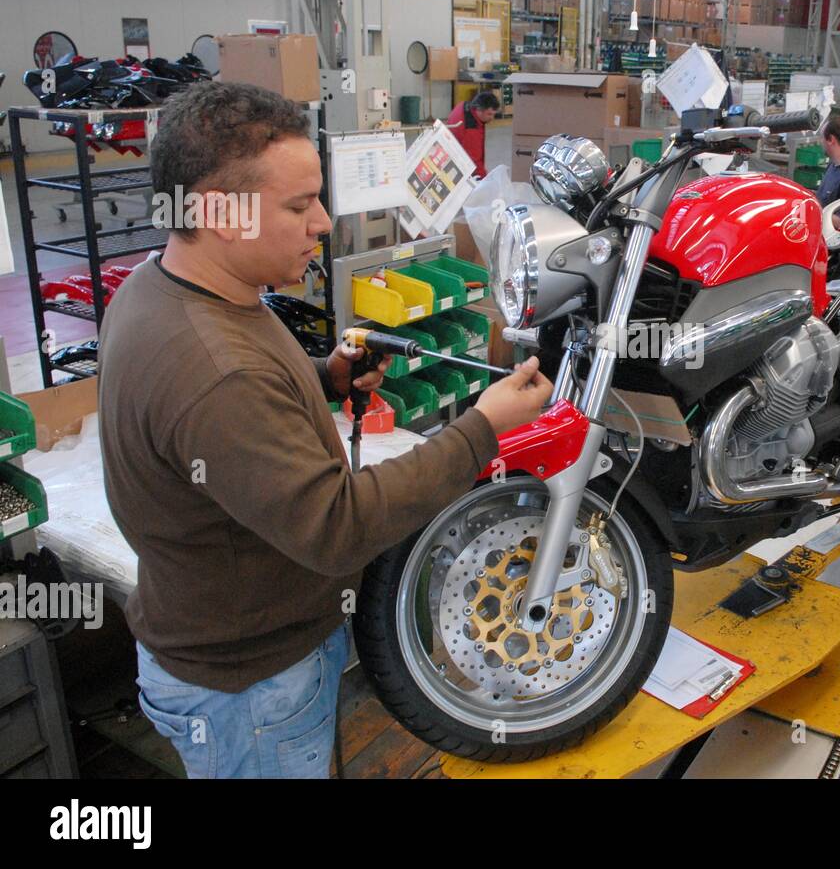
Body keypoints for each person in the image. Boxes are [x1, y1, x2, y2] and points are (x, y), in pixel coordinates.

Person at [98, 81, 552, 778]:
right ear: (222, 213)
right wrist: (480, 429)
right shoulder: (217, 372)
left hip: (231, 651)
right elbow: (336, 526)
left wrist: (325, 376)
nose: (321, 221)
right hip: (250, 689)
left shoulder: (171, 288)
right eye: (298, 204)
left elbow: (232, 426)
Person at [445, 90, 500, 179]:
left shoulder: (464, 105)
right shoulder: (471, 130)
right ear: (479, 109)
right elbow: (474, 161)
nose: (492, 118)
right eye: (489, 114)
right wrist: (483, 180)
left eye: (494, 114)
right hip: (456, 166)